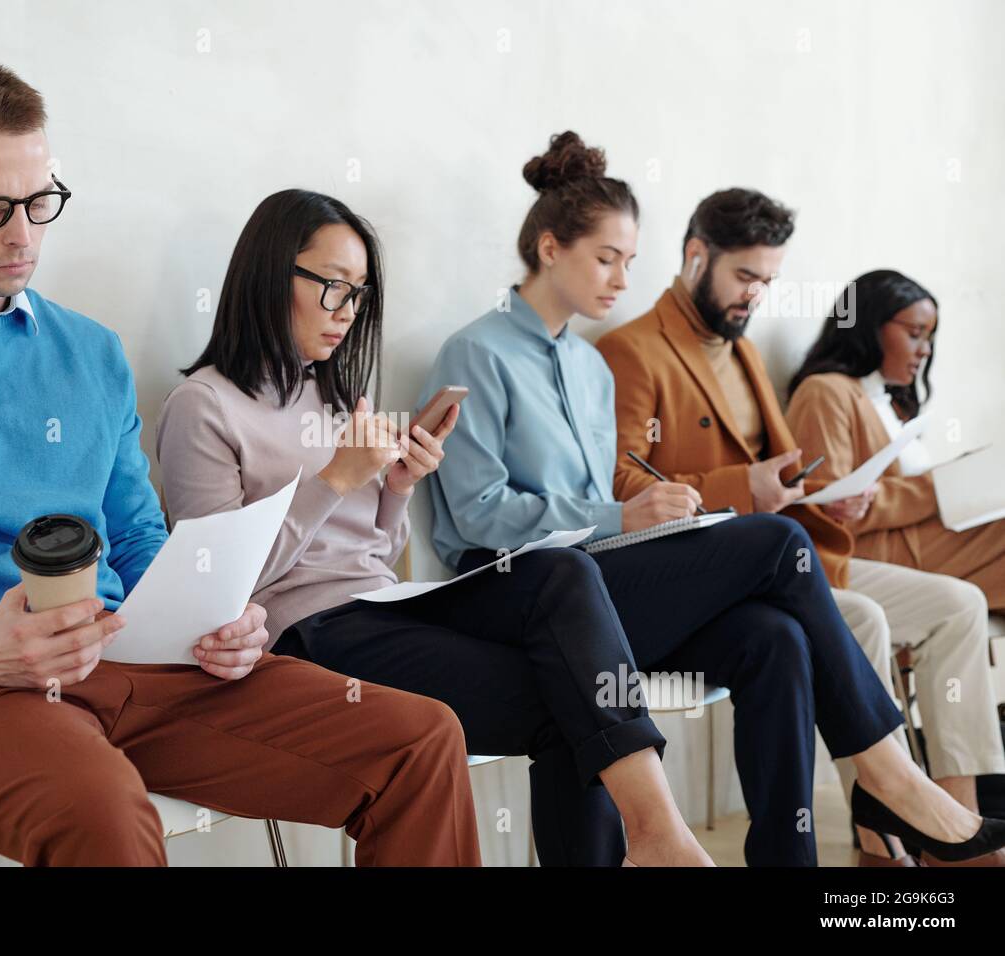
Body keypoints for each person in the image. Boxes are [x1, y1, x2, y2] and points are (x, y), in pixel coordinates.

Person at [0, 62, 482, 867]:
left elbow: (136, 541)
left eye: (41, 201)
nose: (23, 233)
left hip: (133, 664)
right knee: (101, 810)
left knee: (417, 739)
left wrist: (213, 616)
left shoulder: (89, 352)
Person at [425, 132, 1005, 866]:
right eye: (607, 259)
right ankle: (893, 778)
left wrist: (641, 517)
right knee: (779, 544)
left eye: (630, 262)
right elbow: (475, 516)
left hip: (598, 584)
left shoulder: (587, 367)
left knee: (777, 639)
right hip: (521, 593)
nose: (622, 280)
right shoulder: (475, 353)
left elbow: (612, 495)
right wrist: (619, 515)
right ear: (548, 248)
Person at [157, 186, 715, 866]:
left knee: (560, 570)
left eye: (358, 294)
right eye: (333, 287)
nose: (347, 312)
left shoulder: (329, 394)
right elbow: (213, 585)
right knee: (569, 703)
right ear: (273, 274)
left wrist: (394, 489)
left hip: (385, 608)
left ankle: (658, 833)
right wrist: (335, 478)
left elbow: (373, 553)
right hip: (305, 637)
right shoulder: (203, 405)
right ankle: (658, 839)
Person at [596, 187, 1005, 866]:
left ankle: (938, 813)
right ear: (696, 258)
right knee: (863, 618)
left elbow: (783, 475)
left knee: (945, 603)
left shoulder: (745, 353)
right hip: (703, 572)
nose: (755, 295)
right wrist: (740, 490)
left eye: (768, 281)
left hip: (785, 556)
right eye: (745, 277)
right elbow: (618, 486)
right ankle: (889, 809)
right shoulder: (632, 350)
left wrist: (825, 496)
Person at [787, 269, 1005, 609]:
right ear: (870, 328)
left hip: (915, 540)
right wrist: (940, 486)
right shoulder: (825, 393)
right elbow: (831, 511)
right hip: (874, 551)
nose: (925, 350)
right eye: (916, 334)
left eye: (929, 337)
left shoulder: (888, 401)